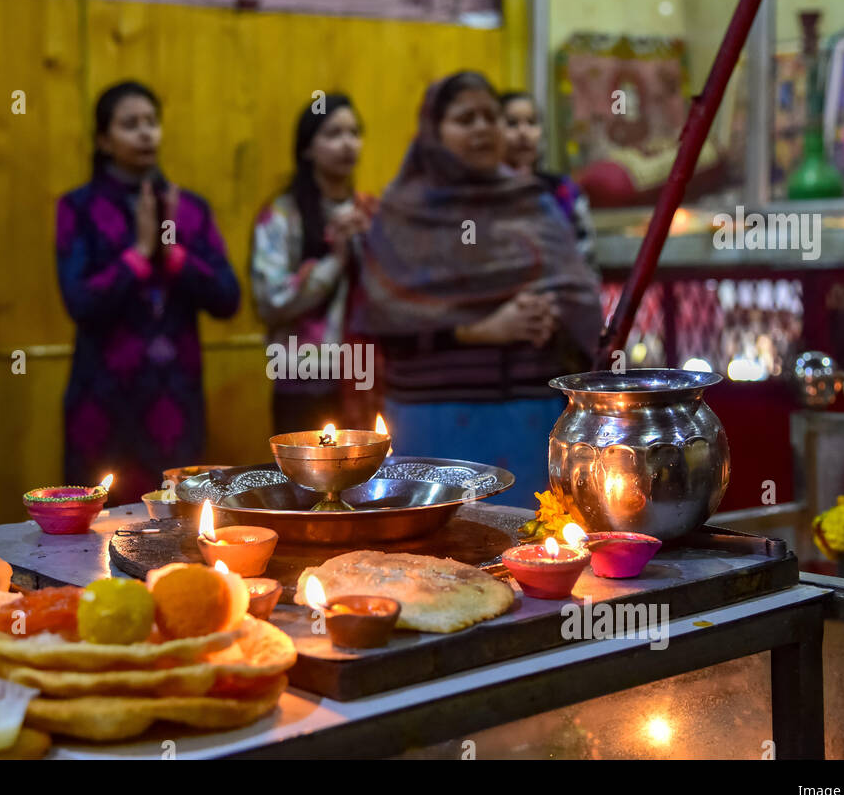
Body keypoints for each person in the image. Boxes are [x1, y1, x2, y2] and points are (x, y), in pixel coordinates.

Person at [357, 72, 602, 507]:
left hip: (529, 414)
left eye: (492, 117)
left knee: (531, 546)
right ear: (434, 131)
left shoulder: (532, 201)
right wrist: (481, 329)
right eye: (466, 119)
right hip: (434, 417)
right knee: (440, 554)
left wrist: (551, 314)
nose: (483, 129)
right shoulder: (402, 212)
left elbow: (577, 292)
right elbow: (386, 316)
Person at [56, 81, 240, 505]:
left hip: (176, 403)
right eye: (130, 124)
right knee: (96, 531)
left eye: (152, 123)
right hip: (102, 403)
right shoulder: (78, 209)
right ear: (104, 139)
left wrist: (173, 255)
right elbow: (80, 302)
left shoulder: (189, 208)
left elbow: (228, 299)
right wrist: (138, 254)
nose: (145, 133)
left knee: (179, 521)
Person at [251, 92, 378, 434]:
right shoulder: (281, 215)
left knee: (367, 482)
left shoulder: (371, 212)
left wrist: (374, 247)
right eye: (333, 134)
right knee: (308, 484)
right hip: (305, 377)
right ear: (307, 148)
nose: (347, 144)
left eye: (354, 133)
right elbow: (271, 301)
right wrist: (335, 260)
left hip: (366, 376)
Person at [500, 89, 595, 261]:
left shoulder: (562, 190)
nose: (524, 132)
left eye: (532, 122)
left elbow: (585, 255)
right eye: (512, 123)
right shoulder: (480, 193)